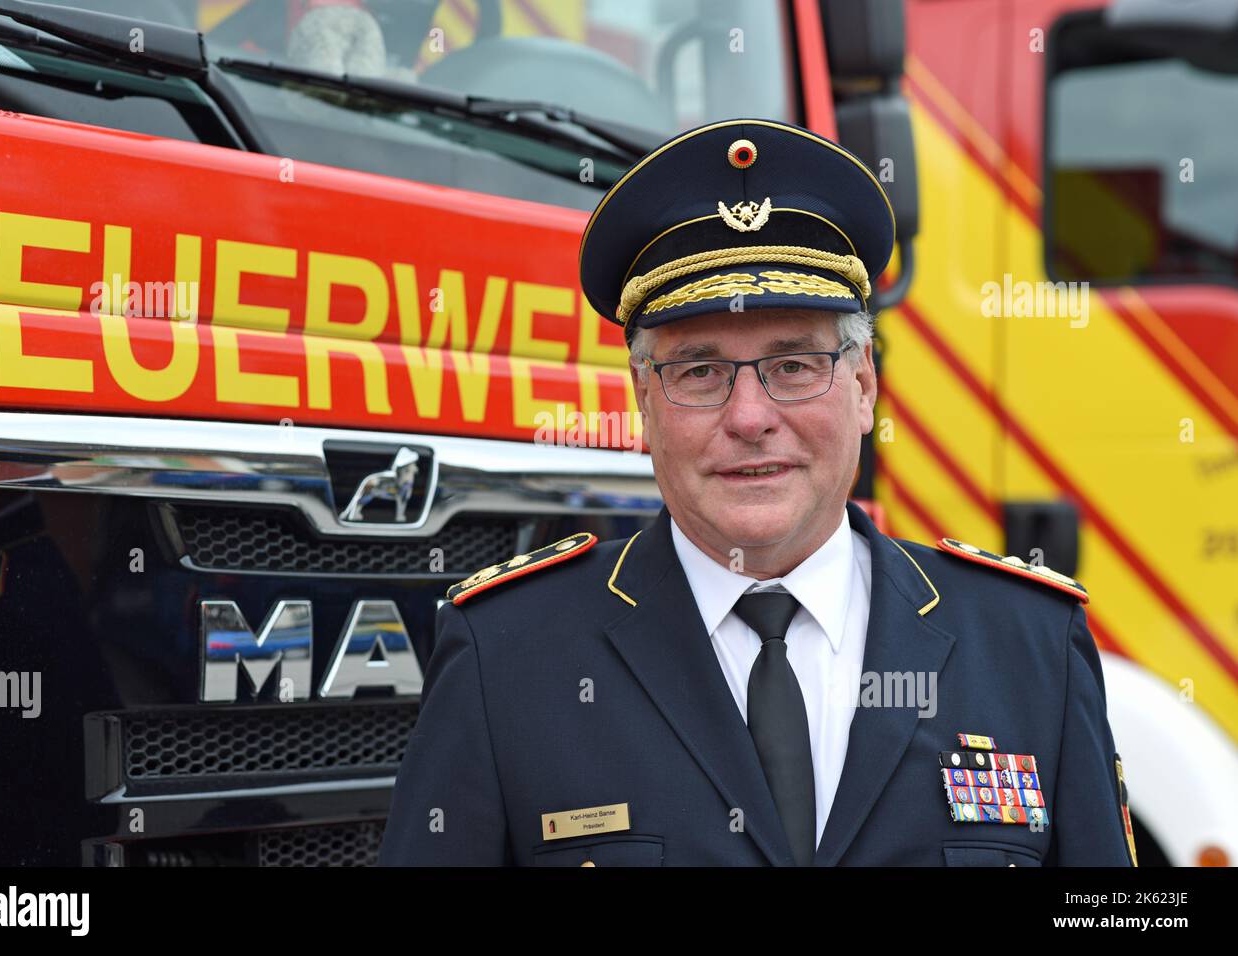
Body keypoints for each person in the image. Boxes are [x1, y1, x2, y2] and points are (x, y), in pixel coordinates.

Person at [377, 118, 1138, 866]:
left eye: (796, 364)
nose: (749, 418)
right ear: (643, 398)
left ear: (864, 384)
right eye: (699, 370)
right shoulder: (507, 655)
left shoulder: (1030, 643)